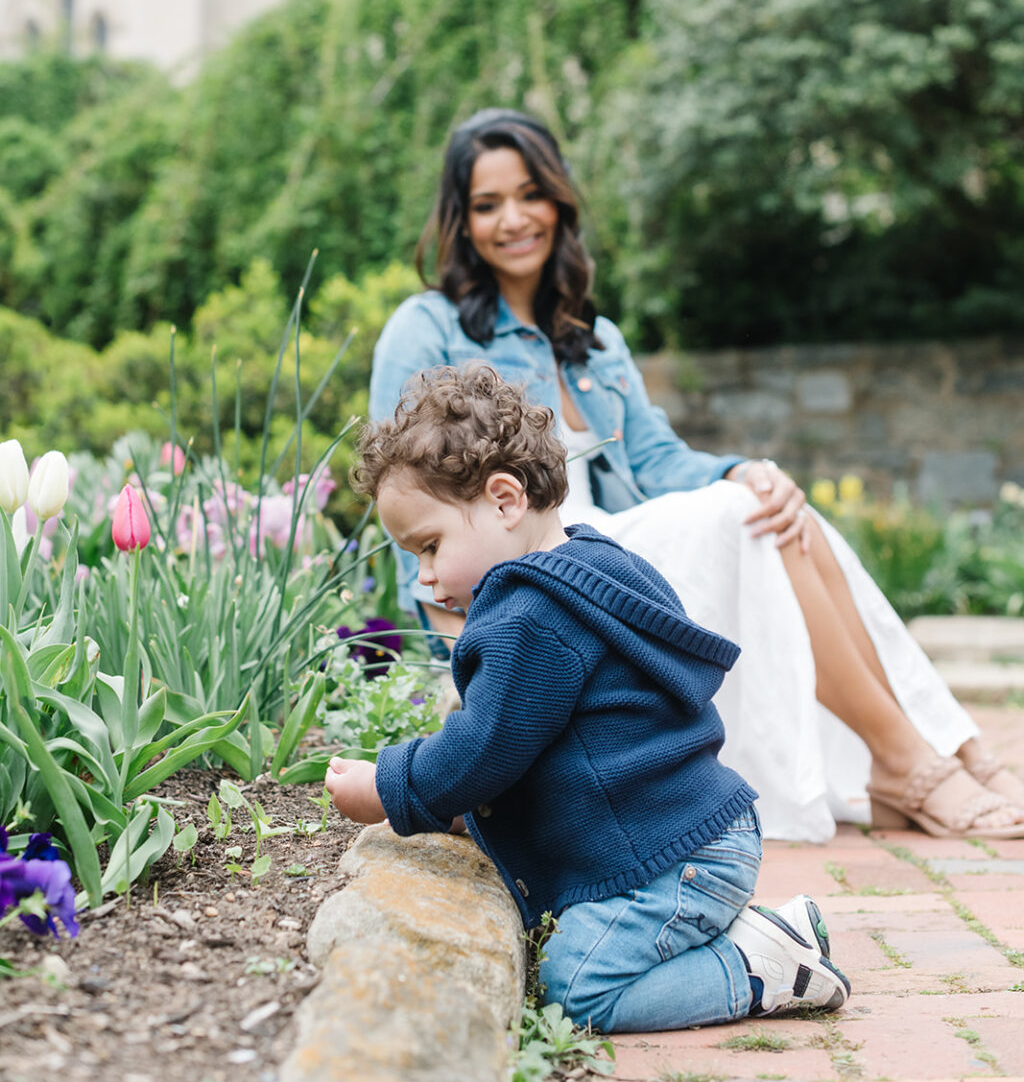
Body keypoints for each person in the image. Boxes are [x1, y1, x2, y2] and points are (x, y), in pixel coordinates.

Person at [368, 108, 1024, 843]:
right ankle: (907, 761)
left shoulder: (596, 342)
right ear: (461, 223)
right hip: (546, 570)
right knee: (741, 516)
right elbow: (413, 507)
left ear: (559, 200)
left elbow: (659, 463)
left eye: (530, 194)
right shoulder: (426, 328)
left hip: (613, 556)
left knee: (774, 503)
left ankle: (949, 750)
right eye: (487, 205)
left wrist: (746, 469)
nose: (514, 219)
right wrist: (462, 647)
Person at [325, 362, 852, 1032]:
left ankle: (758, 966)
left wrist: (391, 787)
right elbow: (544, 745)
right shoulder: (591, 563)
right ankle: (767, 934)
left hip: (672, 862)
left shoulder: (529, 615)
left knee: (575, 989)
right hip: (694, 841)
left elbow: (482, 749)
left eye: (429, 547)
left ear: (506, 500)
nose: (425, 580)